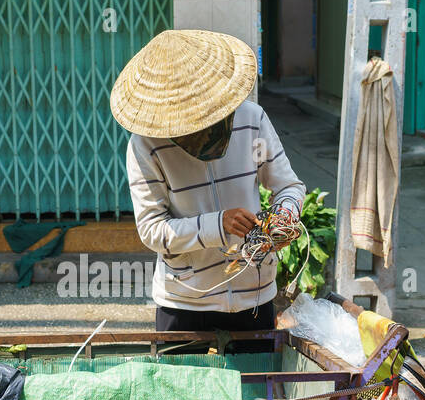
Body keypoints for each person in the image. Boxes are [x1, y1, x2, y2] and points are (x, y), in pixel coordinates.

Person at [109, 29, 307, 338]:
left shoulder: (252, 120)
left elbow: (289, 187)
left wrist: (283, 218)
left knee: (255, 385)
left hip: (253, 295)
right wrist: (219, 225)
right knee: (183, 387)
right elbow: (152, 229)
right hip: (184, 300)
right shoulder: (146, 145)